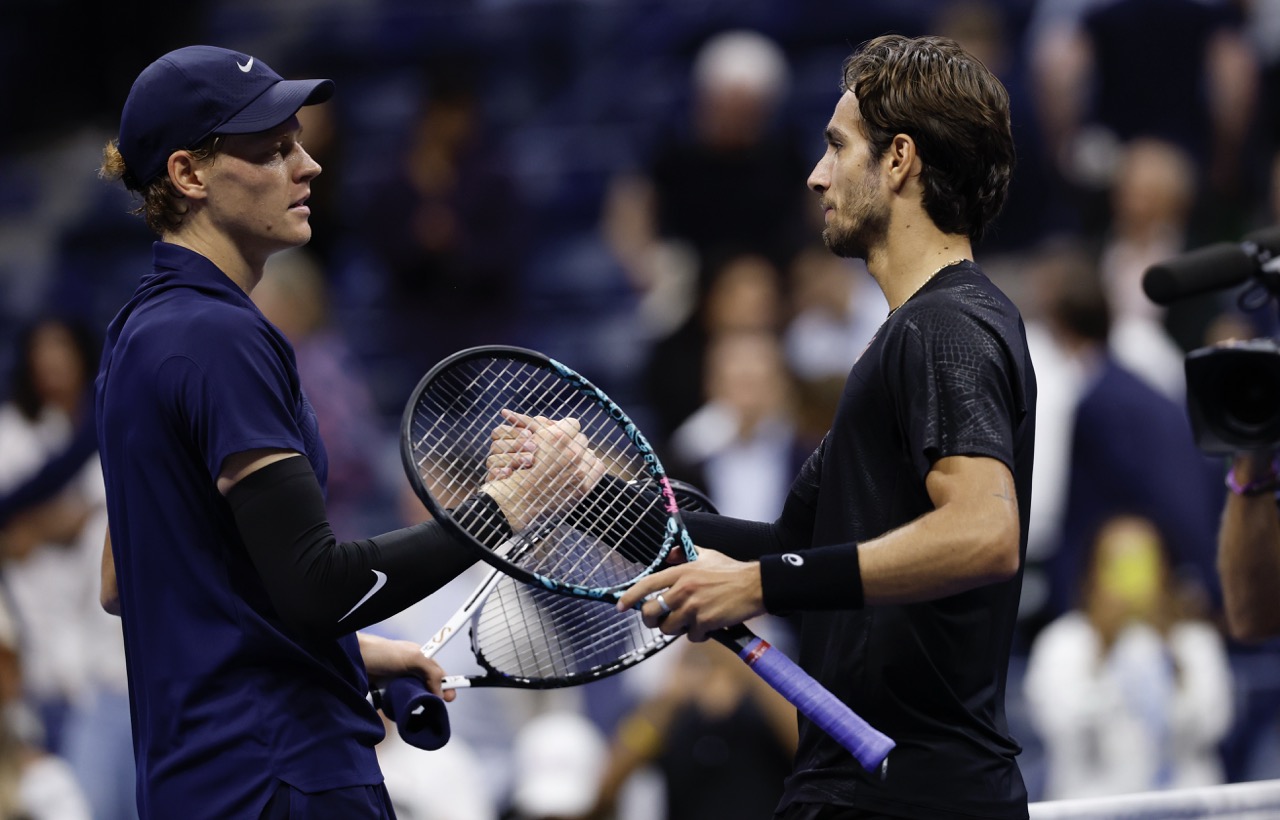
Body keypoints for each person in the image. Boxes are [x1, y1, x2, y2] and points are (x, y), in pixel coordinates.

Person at [95, 45, 602, 819]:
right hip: (287, 775)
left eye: (299, 142)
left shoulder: (139, 330)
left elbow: (135, 580)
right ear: (189, 176)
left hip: (198, 786)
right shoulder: (220, 337)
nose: (308, 167)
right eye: (273, 150)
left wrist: (352, 653)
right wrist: (512, 502)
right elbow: (318, 584)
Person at [614, 34, 1035, 819]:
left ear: (900, 160)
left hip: (905, 798)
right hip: (871, 790)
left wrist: (757, 586)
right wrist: (588, 498)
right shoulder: (912, 336)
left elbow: (985, 533)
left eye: (837, 147)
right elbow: (784, 548)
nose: (815, 176)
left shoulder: (941, 329)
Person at [1023, 514, 1232, 799]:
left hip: (1185, 803)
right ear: (1093, 571)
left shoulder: (1194, 641)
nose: (1129, 576)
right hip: (1094, 806)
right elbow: (1060, 727)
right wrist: (1105, 653)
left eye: (1142, 562)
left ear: (1163, 568)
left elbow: (1213, 724)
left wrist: (1169, 659)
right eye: (1117, 564)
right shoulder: (1064, 641)